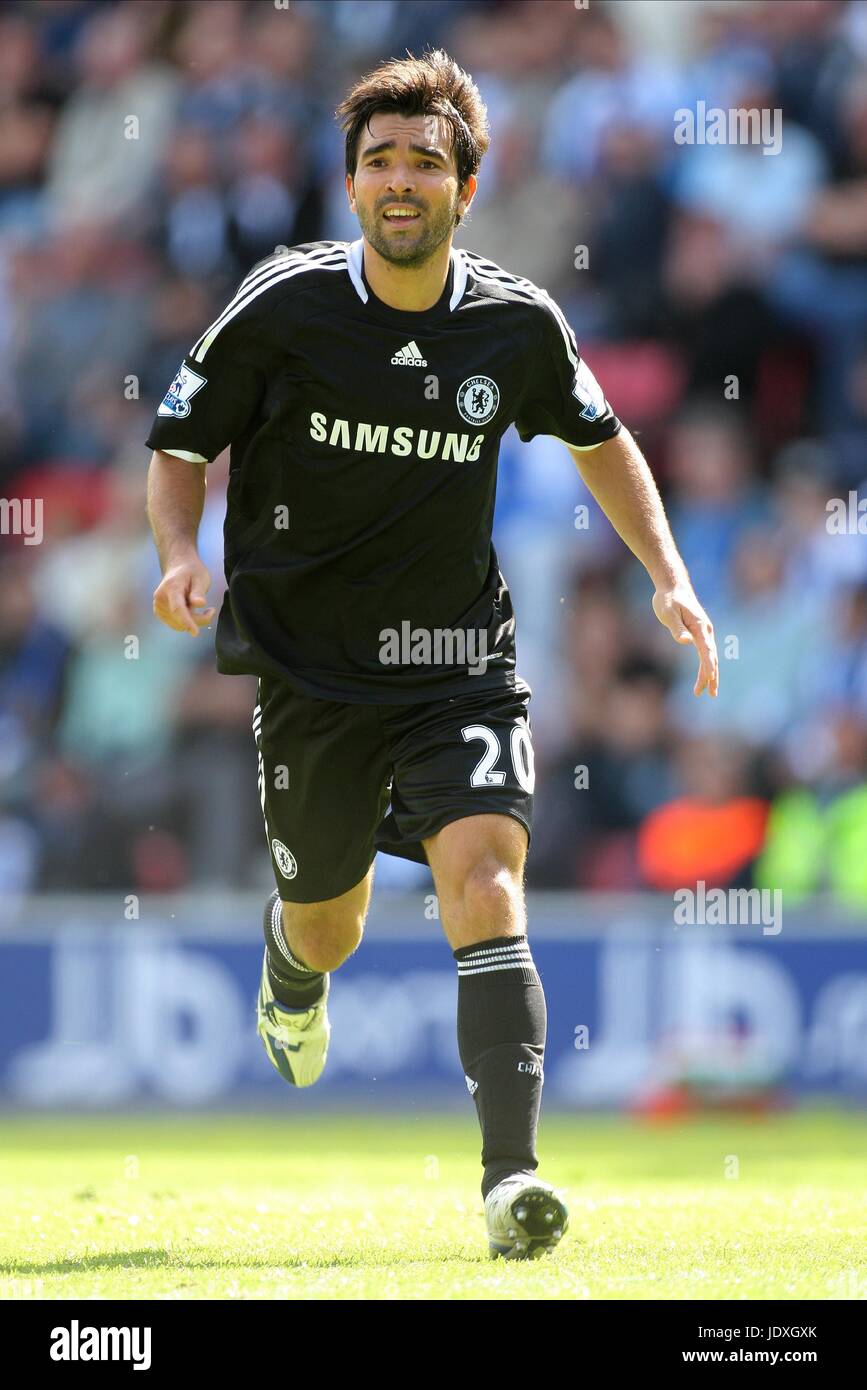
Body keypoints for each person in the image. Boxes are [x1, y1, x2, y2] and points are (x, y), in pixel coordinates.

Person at [145, 49, 718, 1260]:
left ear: (468, 185)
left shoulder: (515, 322)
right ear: (349, 185)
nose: (400, 179)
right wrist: (177, 552)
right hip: (307, 672)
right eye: (378, 161)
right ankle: (289, 967)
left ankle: (511, 1180)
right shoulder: (283, 304)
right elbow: (180, 443)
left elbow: (602, 438)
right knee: (331, 924)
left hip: (459, 658)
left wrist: (669, 575)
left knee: (487, 882)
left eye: (425, 160)